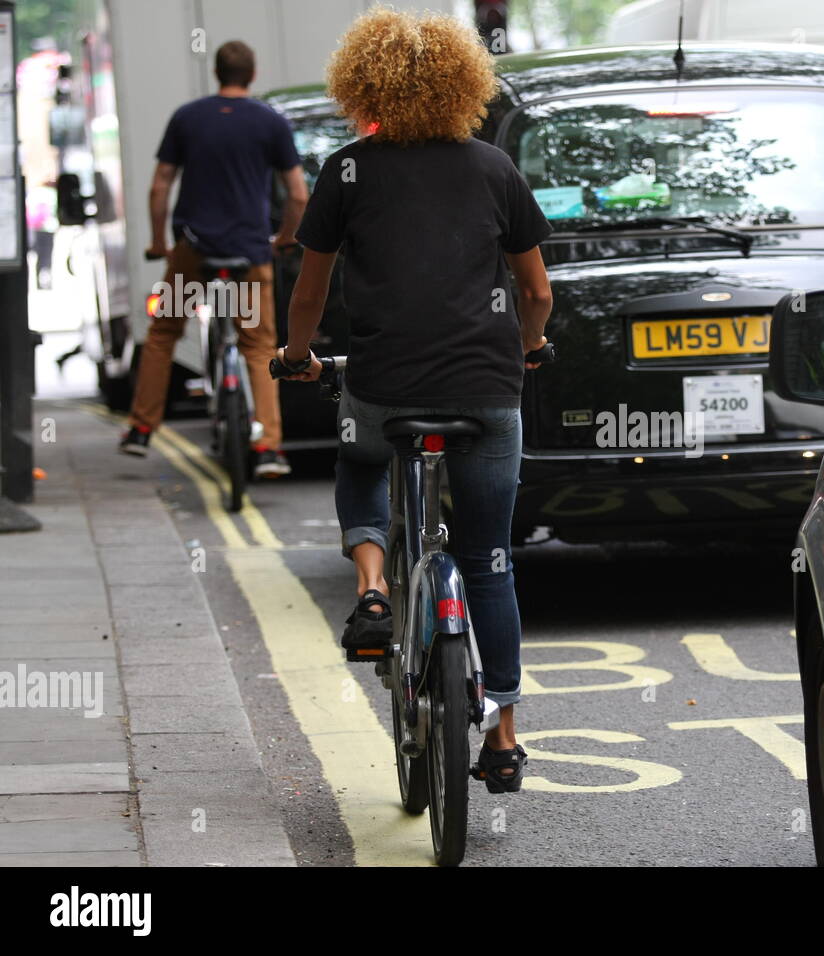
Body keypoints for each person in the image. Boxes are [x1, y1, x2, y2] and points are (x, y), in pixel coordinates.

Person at [277, 9, 552, 792]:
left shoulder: (349, 170)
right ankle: (501, 735)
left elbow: (310, 293)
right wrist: (529, 347)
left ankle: (371, 591)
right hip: (488, 391)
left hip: (382, 385)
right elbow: (536, 291)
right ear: (466, 84)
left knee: (360, 461)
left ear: (362, 84)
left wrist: (298, 358)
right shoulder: (494, 168)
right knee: (490, 560)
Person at [119, 40, 308, 479]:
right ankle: (268, 447)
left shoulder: (188, 117)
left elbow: (160, 185)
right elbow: (298, 193)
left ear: (218, 73)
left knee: (164, 332)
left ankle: (141, 428)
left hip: (194, 248)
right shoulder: (270, 122)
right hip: (249, 251)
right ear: (253, 73)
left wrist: (158, 242)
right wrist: (284, 238)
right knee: (259, 346)